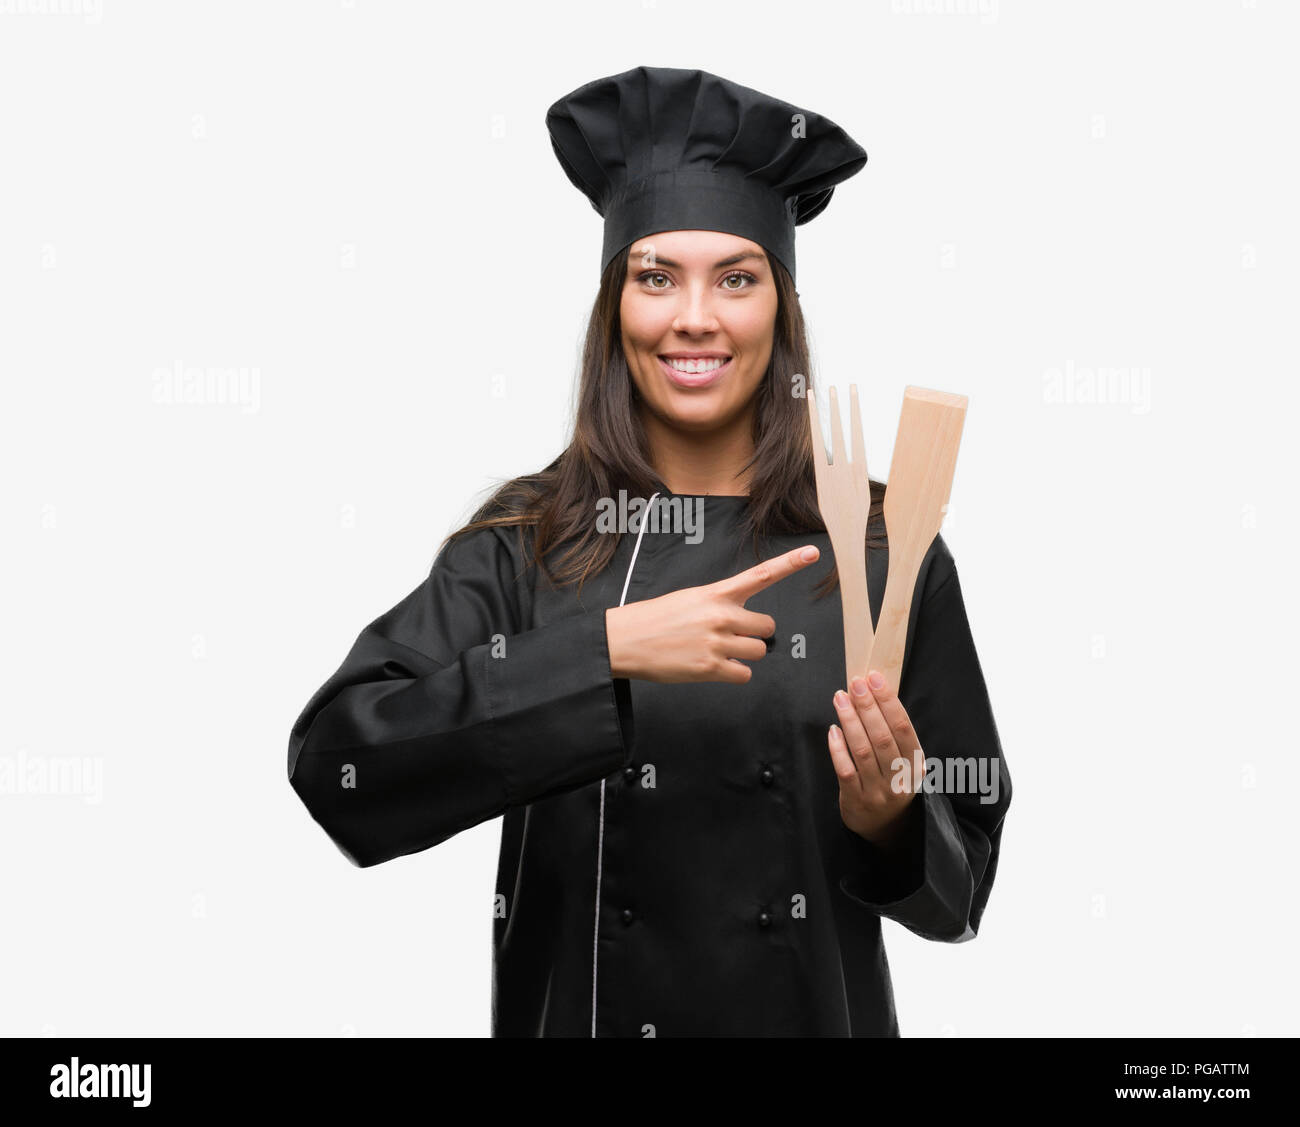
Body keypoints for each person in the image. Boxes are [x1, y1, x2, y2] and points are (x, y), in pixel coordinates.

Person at [287, 65, 1012, 1037]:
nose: (695, 316)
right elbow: (341, 767)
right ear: (614, 307)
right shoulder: (524, 540)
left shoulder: (883, 541)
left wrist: (893, 815)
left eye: (738, 277)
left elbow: (963, 883)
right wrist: (606, 648)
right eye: (656, 275)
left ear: (780, 310)